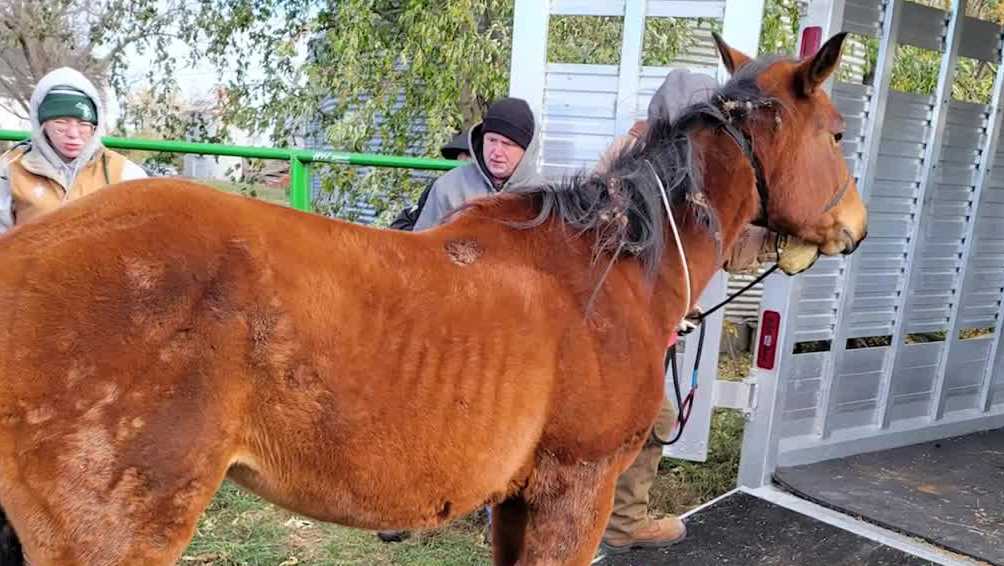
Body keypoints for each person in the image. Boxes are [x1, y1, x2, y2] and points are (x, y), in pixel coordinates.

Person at [595, 68, 773, 559]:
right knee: (629, 417)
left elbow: (716, 245)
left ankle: (618, 518)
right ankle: (614, 520)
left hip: (653, 321)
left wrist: (774, 239)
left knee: (652, 415)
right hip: (620, 321)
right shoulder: (629, 161)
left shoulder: (699, 165)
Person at [0, 67, 147, 234]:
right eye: (60, 123)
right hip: (30, 260)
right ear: (42, 124)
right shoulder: (11, 168)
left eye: (83, 123)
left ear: (95, 126)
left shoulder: (124, 173)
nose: (73, 134)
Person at [412, 96, 544, 230]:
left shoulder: (542, 198)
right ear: (482, 140)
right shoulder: (448, 187)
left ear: (526, 150)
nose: (496, 152)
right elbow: (422, 246)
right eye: (492, 140)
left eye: (507, 144)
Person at [388, 128, 471, 231]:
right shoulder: (441, 186)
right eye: (464, 156)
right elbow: (404, 224)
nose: (465, 161)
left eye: (471, 156)